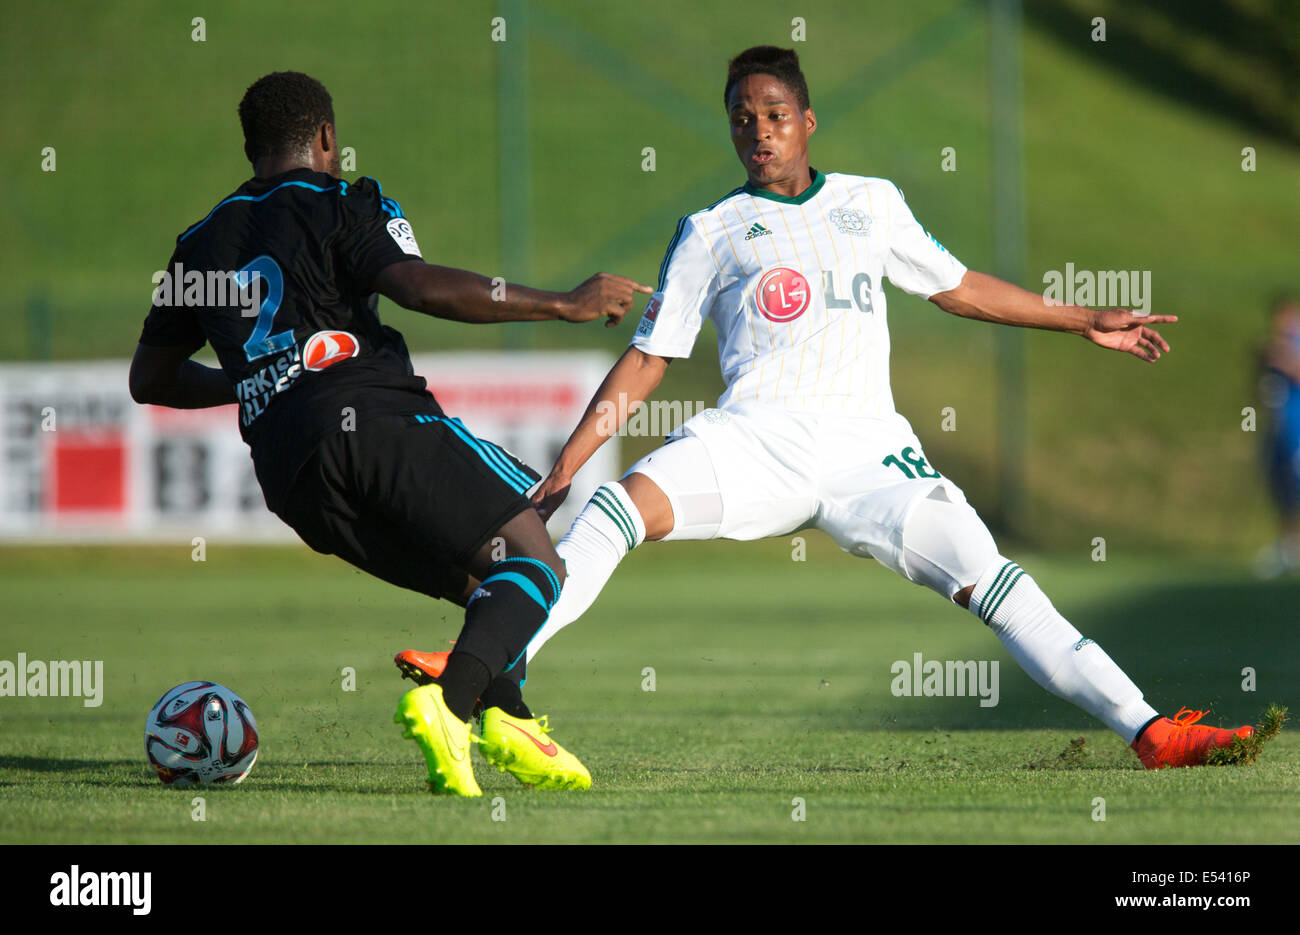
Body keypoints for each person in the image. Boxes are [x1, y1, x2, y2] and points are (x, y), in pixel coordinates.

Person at [405, 46, 1253, 771]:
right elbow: (650, 356)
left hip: (870, 456)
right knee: (615, 510)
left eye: (775, 112)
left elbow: (956, 288)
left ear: (808, 121)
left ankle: (1147, 729)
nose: (758, 129)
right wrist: (565, 467)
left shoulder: (870, 203)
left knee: (994, 579)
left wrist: (1081, 318)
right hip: (751, 445)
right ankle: (480, 663)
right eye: (742, 116)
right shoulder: (712, 229)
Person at [128, 71, 650, 796]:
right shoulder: (344, 199)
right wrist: (564, 303)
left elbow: (148, 380)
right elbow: (417, 285)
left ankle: (514, 722)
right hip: (371, 416)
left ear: (251, 149)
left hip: (291, 470)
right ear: (326, 139)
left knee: (487, 585)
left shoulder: (196, 245)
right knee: (539, 560)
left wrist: (257, 378)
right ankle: (451, 706)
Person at [1256, 294, 1300, 578]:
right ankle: (1287, 547)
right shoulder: (1272, 349)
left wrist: (1286, 362)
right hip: (1280, 430)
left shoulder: (1292, 348)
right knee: (1282, 490)